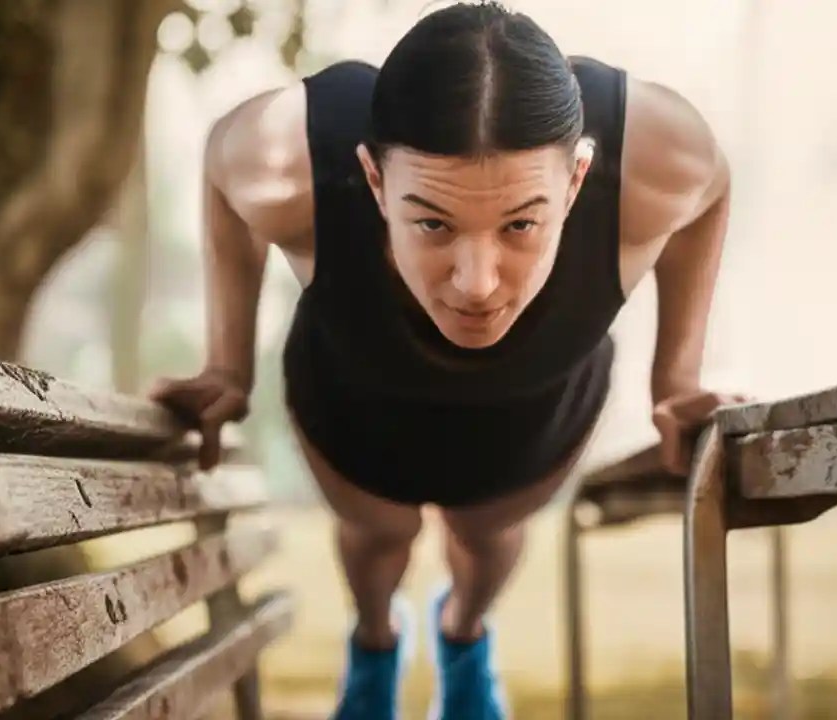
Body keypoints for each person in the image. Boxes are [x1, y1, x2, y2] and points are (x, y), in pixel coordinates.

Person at [150, 2, 747, 717]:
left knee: (486, 535)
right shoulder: (289, 158)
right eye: (432, 221)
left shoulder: (656, 153)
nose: (477, 283)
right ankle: (375, 644)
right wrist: (227, 367)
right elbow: (222, 162)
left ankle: (463, 637)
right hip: (355, 393)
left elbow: (710, 192)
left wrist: (674, 378)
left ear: (577, 180)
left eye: (522, 223)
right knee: (380, 536)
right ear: (374, 182)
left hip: (538, 404)